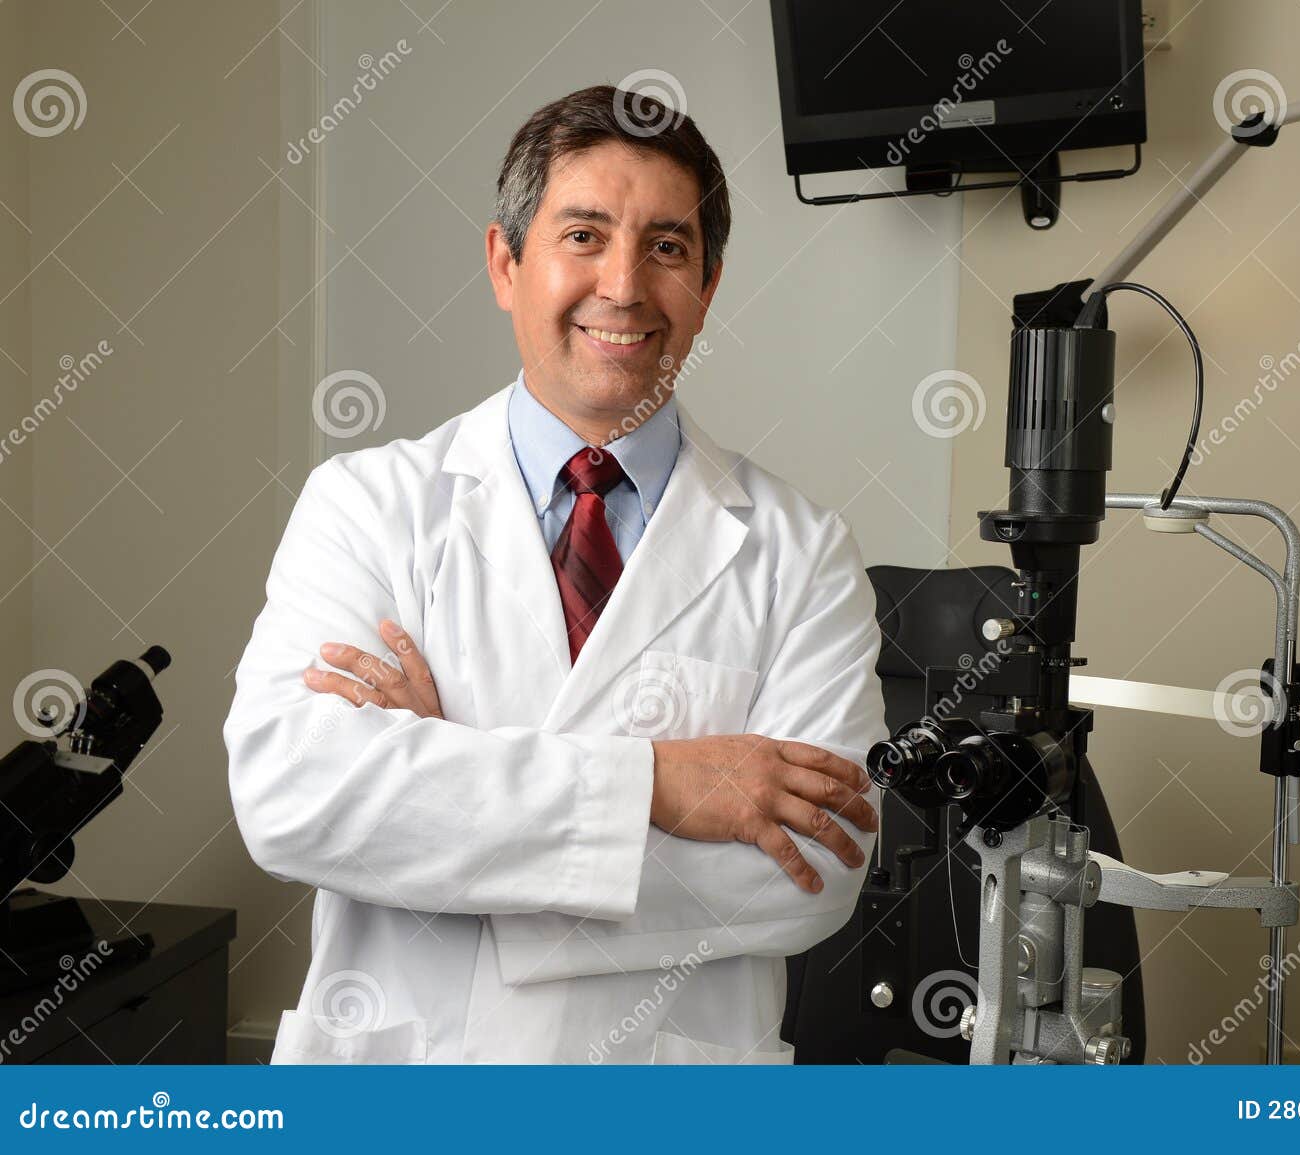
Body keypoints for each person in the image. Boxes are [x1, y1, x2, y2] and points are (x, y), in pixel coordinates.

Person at [223, 85, 885, 1064]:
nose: (622, 286)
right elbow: (294, 796)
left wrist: (443, 779)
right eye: (583, 235)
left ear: (707, 284)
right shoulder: (367, 504)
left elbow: (815, 872)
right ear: (507, 262)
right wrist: (657, 784)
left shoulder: (800, 551)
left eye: (665, 246)